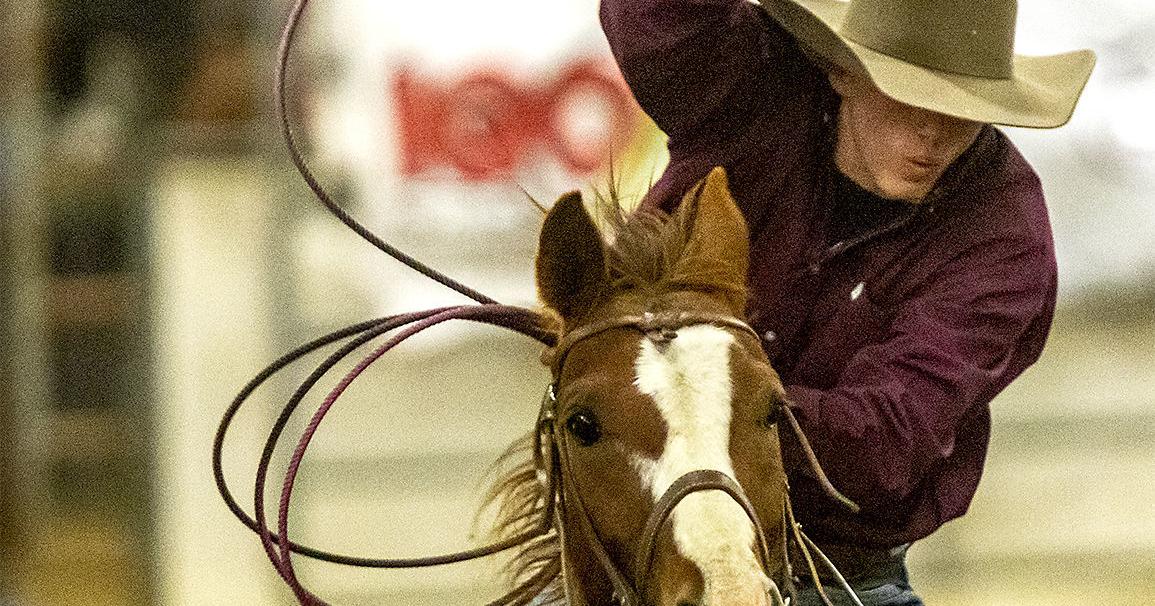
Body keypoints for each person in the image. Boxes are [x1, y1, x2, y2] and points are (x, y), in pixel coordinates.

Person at [599, 0, 1095, 603]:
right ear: (842, 70)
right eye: (909, 97)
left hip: (830, 572)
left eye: (964, 112)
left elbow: (889, 439)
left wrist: (702, 409)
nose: (934, 133)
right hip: (628, 539)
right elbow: (657, 16)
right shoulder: (754, 84)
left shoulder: (1002, 237)